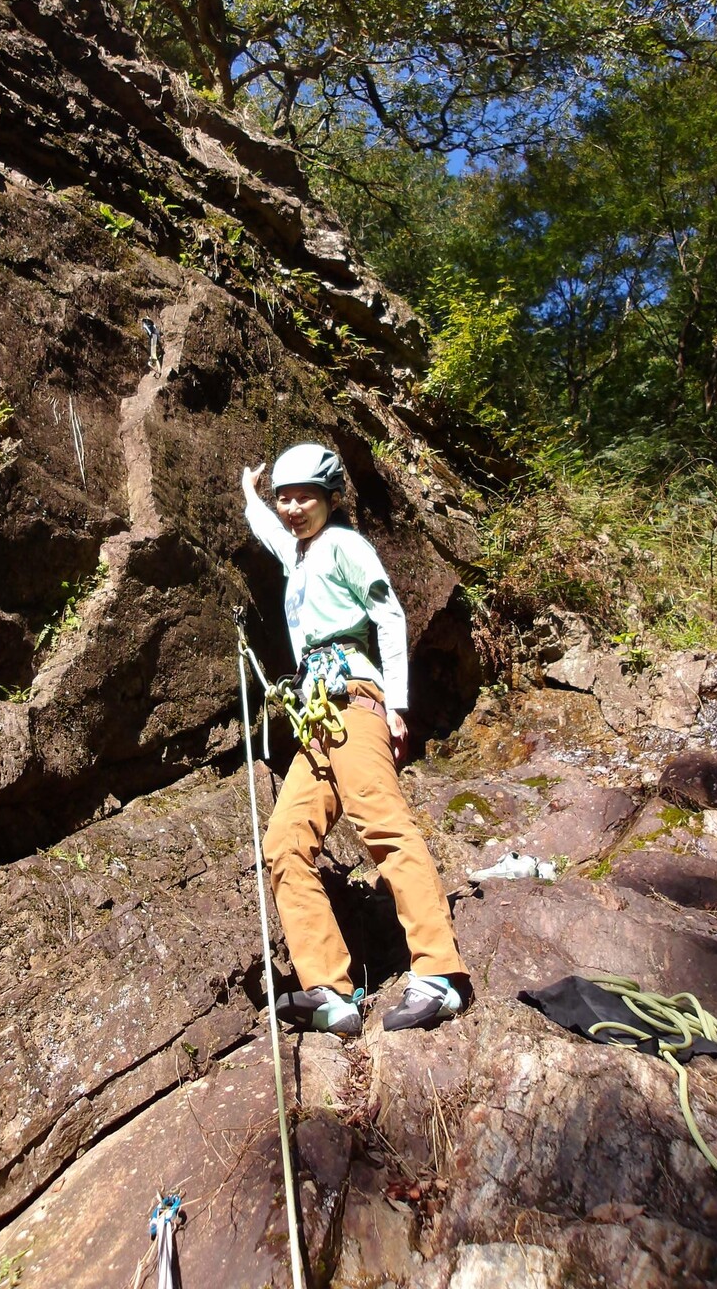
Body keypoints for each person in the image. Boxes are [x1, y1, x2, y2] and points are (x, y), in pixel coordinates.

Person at [241, 442, 470, 1035]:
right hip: (316, 719)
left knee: (383, 825)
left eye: (304, 498)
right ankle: (329, 991)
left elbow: (389, 615)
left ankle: (438, 974)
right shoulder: (300, 554)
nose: (292, 508)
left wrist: (397, 706)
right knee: (285, 842)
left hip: (354, 699)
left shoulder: (345, 545)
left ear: (330, 499)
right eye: (285, 498)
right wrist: (250, 495)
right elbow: (271, 533)